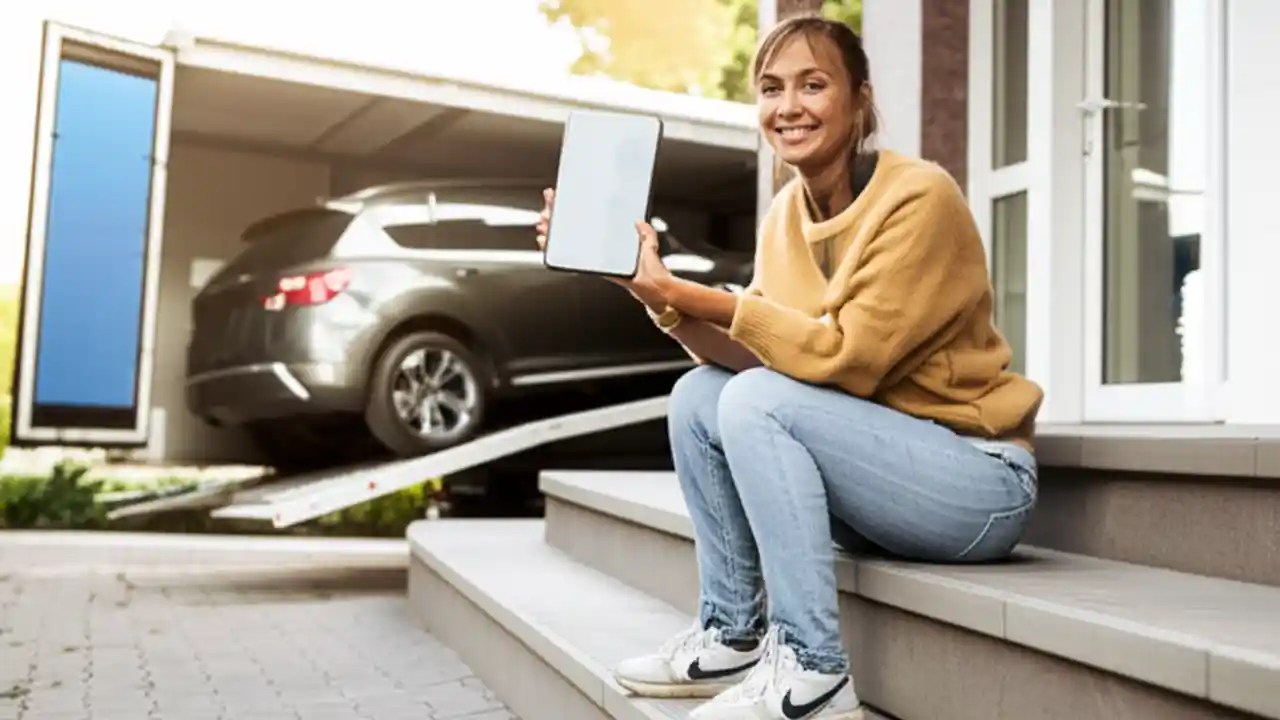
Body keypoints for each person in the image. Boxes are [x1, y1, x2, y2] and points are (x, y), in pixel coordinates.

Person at [534, 14, 1043, 720]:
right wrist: (646, 289)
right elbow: (758, 353)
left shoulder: (920, 197)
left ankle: (815, 668)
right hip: (880, 483)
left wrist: (684, 290)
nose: (788, 106)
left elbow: (845, 359)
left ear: (860, 99)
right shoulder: (783, 217)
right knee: (698, 397)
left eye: (813, 84)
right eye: (771, 88)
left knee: (755, 402)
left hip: (976, 484)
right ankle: (733, 633)